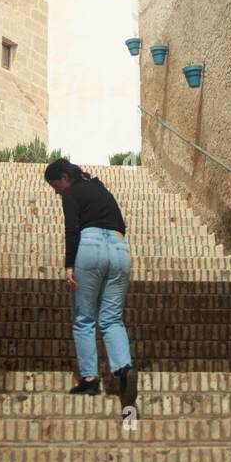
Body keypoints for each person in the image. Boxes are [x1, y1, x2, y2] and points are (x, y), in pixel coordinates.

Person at [44, 158, 137, 406]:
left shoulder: (71, 193)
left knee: (84, 318)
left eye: (56, 186)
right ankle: (124, 369)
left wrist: (69, 265)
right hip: (119, 249)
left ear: (64, 177)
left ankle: (89, 379)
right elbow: (121, 224)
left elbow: (72, 229)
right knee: (112, 318)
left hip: (89, 247)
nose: (56, 192)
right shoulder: (100, 188)